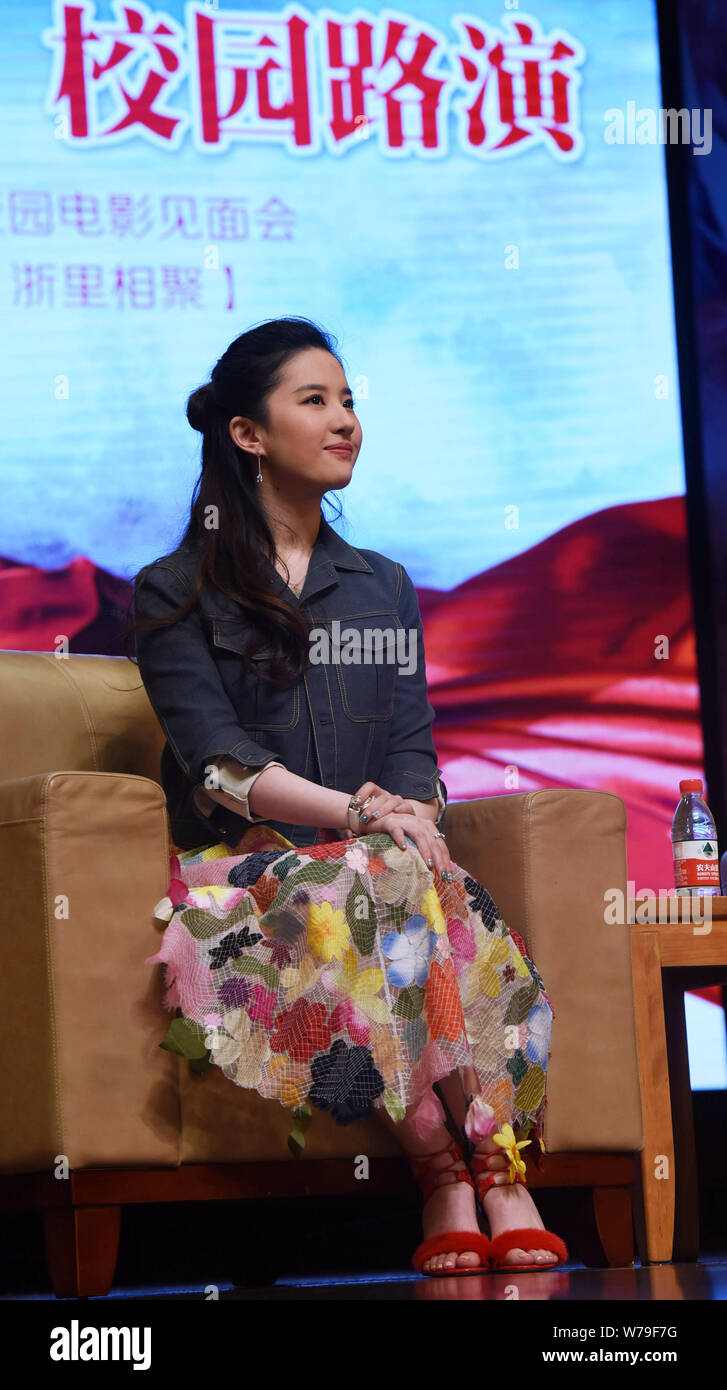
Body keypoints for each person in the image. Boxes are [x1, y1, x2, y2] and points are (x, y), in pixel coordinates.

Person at [128, 316, 567, 1277]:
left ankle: (480, 1169)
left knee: (403, 879)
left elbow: (412, 749)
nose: (346, 421)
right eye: (315, 401)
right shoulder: (173, 591)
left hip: (374, 872)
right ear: (248, 434)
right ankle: (458, 1172)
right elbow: (219, 767)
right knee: (364, 882)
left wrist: (414, 815)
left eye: (350, 400)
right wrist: (362, 819)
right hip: (243, 877)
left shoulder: (384, 588)